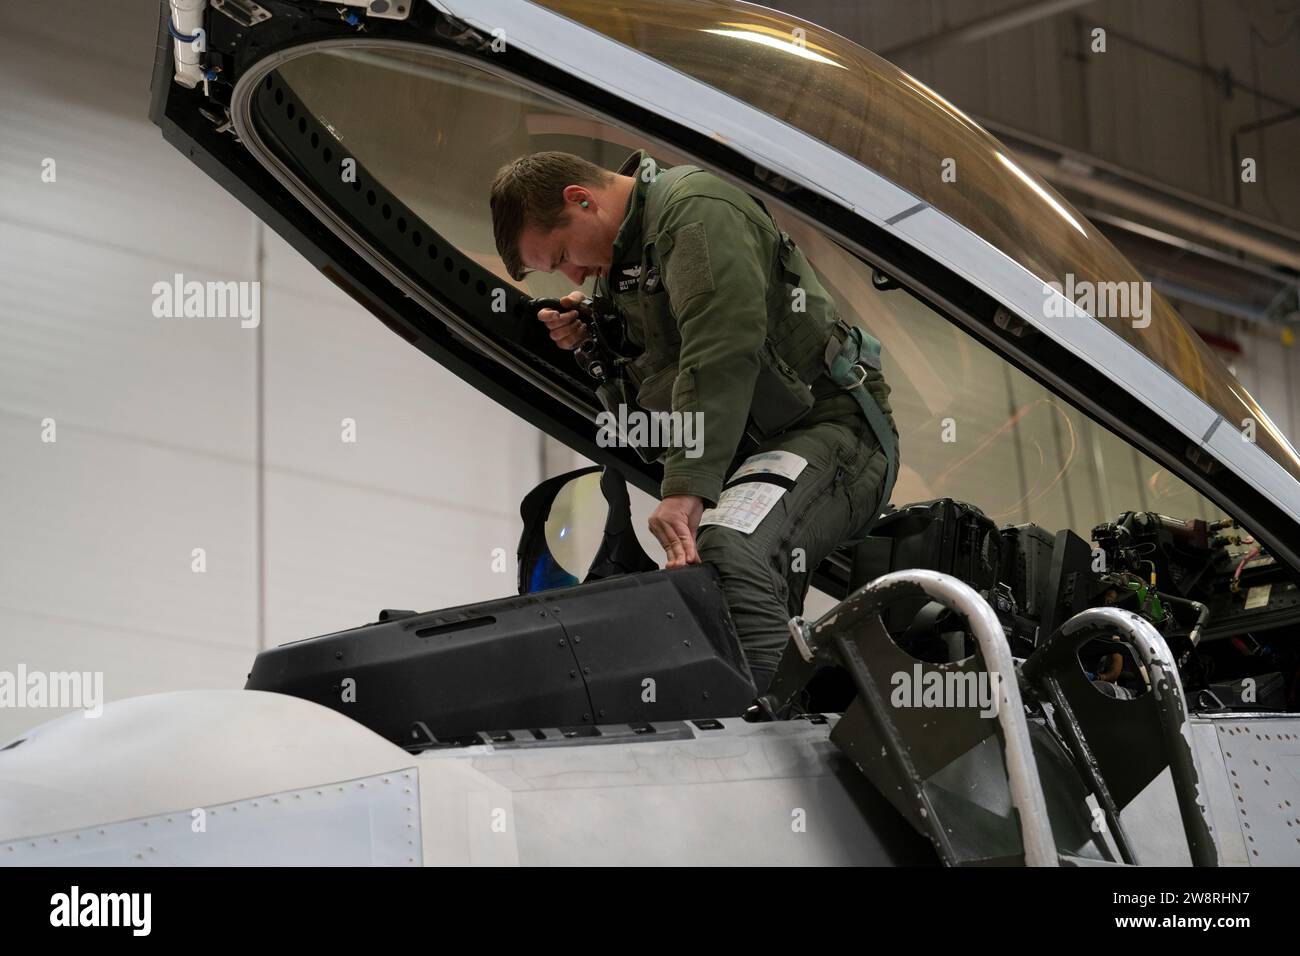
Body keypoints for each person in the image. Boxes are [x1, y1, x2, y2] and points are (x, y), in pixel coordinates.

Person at [490, 148, 899, 693]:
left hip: (837, 428)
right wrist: (595, 336)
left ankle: (769, 743)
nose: (575, 274)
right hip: (763, 451)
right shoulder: (624, 265)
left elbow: (723, 348)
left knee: (729, 548)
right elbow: (663, 375)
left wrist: (687, 488)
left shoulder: (695, 210)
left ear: (580, 198)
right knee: (716, 576)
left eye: (564, 253)